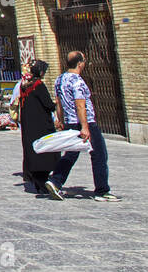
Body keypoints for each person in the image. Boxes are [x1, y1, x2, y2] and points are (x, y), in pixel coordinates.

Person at [45, 51, 118, 201]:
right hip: (85, 123)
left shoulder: (60, 79)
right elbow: (80, 105)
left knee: (71, 154)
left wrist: (59, 119)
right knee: (99, 155)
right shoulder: (77, 81)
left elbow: (58, 102)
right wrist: (85, 127)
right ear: (80, 63)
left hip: (70, 122)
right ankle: (102, 190)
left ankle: (55, 181)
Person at [18, 60, 60, 195]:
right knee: (45, 151)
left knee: (33, 150)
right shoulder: (38, 85)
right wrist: (57, 104)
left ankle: (37, 180)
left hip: (29, 125)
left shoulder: (25, 86)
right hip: (41, 125)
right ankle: (42, 181)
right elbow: (47, 104)